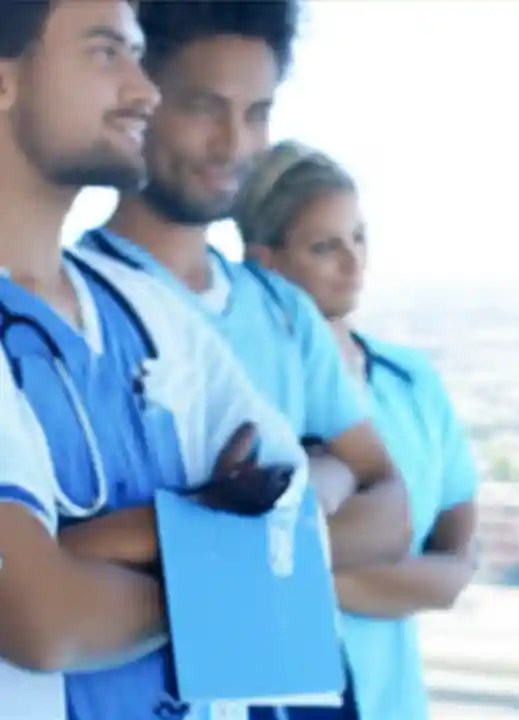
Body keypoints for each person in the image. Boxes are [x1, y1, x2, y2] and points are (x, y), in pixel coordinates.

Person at [0, 1, 314, 718]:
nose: (145, 91)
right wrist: (207, 542)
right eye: (107, 54)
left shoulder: (154, 313)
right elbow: (42, 626)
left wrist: (91, 547)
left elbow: (291, 569)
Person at [74, 1, 412, 573]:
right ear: (138, 100)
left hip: (292, 664)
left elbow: (393, 511)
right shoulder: (69, 307)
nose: (233, 144)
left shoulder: (282, 311)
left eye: (257, 113)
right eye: (204, 109)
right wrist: (315, 496)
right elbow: (56, 563)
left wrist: (243, 537)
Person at [233, 140, 480, 720]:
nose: (353, 261)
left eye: (359, 238)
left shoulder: (411, 383)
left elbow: (454, 571)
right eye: (325, 247)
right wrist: (391, 576)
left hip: (389, 703)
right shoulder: (240, 395)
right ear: (264, 261)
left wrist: (297, 575)